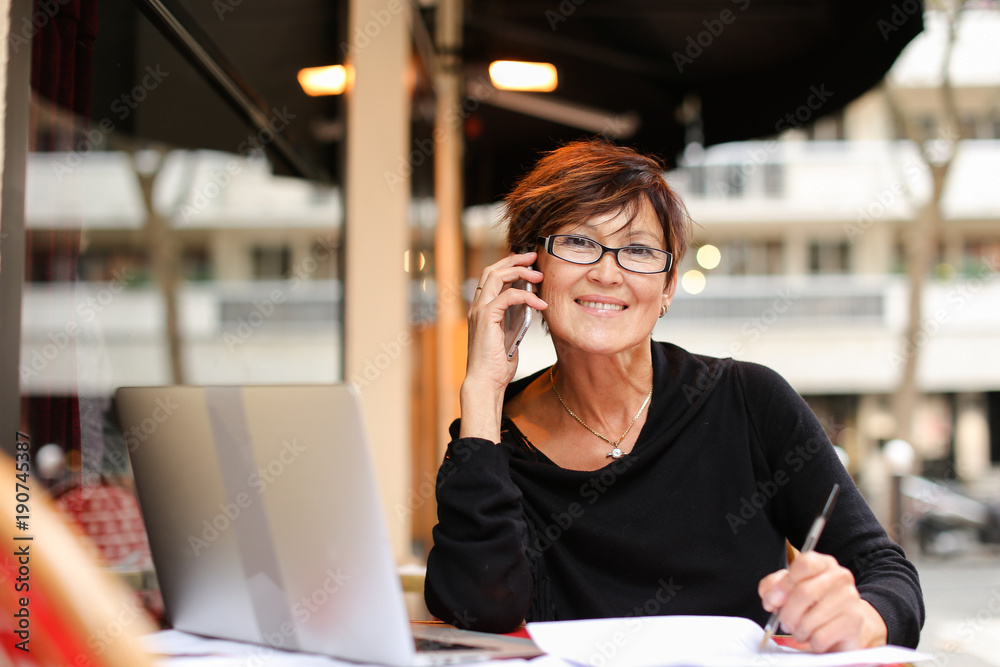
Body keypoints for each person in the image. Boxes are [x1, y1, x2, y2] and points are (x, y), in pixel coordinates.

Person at [423, 138, 923, 652]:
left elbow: (885, 572)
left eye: (639, 250)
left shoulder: (748, 400)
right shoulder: (492, 435)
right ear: (530, 268)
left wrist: (861, 620)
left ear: (667, 286)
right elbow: (477, 606)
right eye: (577, 242)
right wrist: (481, 388)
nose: (607, 272)